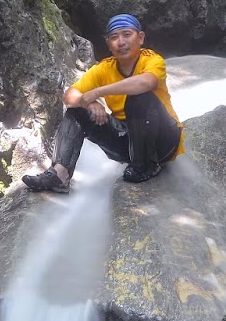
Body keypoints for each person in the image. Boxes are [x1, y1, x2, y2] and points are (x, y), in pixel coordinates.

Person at [23, 13, 184, 192]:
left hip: (163, 139)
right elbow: (69, 95)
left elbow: (146, 83)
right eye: (114, 37)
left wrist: (98, 92)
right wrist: (88, 103)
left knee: (139, 97)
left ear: (140, 38)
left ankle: (146, 165)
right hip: (127, 142)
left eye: (127, 35)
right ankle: (59, 175)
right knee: (76, 112)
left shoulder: (152, 60)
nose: (121, 42)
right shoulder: (104, 68)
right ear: (108, 44)